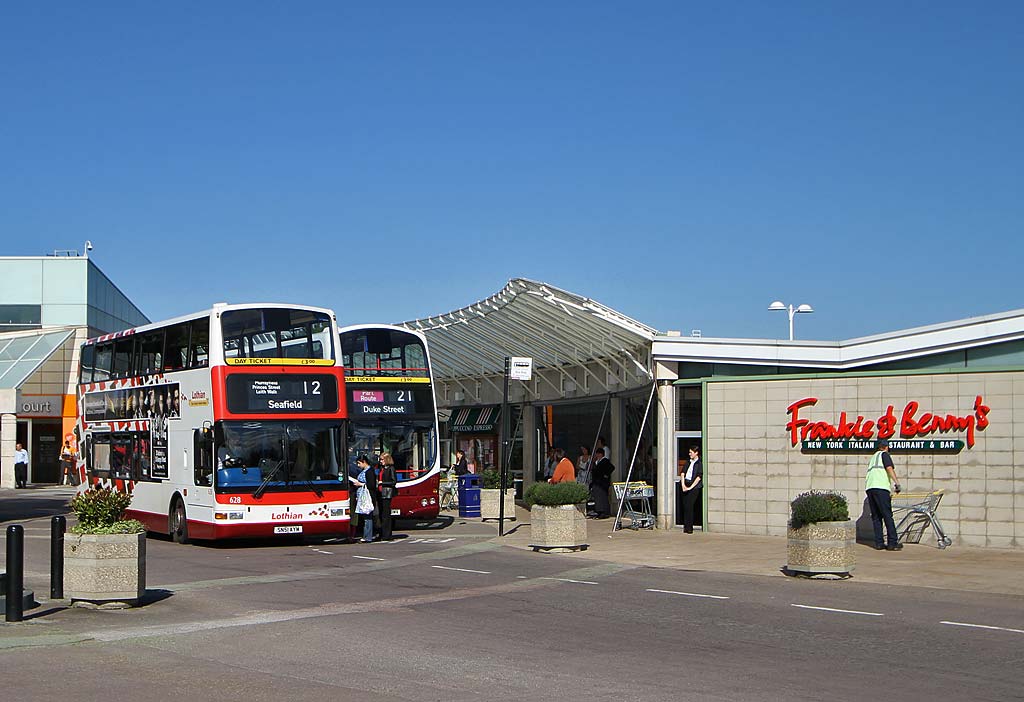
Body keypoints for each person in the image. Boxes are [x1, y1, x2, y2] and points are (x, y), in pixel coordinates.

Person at [865, 438, 903, 551]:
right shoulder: (884, 455)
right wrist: (897, 483)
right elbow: (889, 468)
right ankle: (892, 543)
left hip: (870, 488)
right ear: (886, 447)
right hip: (881, 488)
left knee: (876, 517)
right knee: (887, 515)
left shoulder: (873, 457)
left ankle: (879, 543)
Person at [350, 455, 378, 543]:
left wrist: (360, 484)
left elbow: (372, 485)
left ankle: (368, 536)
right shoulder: (364, 471)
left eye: (359, 463)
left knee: (368, 517)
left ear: (364, 462)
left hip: (367, 497)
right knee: (366, 517)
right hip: (362, 496)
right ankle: (366, 535)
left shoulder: (369, 471)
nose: (358, 465)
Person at [680, 446, 703, 533]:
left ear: (696, 452)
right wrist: (683, 485)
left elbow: (698, 477)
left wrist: (690, 487)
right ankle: (686, 526)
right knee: (686, 506)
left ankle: (690, 527)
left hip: (694, 486)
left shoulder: (699, 463)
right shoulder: (688, 462)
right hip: (686, 483)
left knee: (690, 506)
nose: (690, 454)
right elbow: (683, 473)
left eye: (691, 452)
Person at [589, 448, 614, 518]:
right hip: (597, 482)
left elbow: (611, 468)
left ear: (600, 454)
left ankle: (604, 511)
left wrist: (606, 475)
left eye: (597, 454)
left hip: (602, 483)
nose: (596, 455)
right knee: (598, 497)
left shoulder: (605, 461)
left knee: (603, 497)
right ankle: (599, 511)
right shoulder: (597, 462)